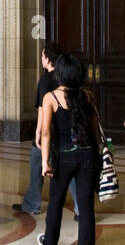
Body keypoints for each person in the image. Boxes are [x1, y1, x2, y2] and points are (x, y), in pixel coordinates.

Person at [36, 52, 102, 245]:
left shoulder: (51, 98)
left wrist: (45, 162)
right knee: (86, 208)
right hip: (88, 155)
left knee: (55, 200)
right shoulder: (88, 96)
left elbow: (46, 134)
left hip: (64, 157)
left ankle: (51, 244)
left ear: (61, 74)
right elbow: (93, 130)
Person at [13, 42, 78, 219]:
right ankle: (80, 208)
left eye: (42, 56)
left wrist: (38, 134)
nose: (41, 59)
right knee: (70, 170)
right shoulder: (65, 77)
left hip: (50, 131)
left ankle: (32, 203)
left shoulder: (46, 80)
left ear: (48, 59)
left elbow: (43, 108)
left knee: (37, 166)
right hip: (68, 133)